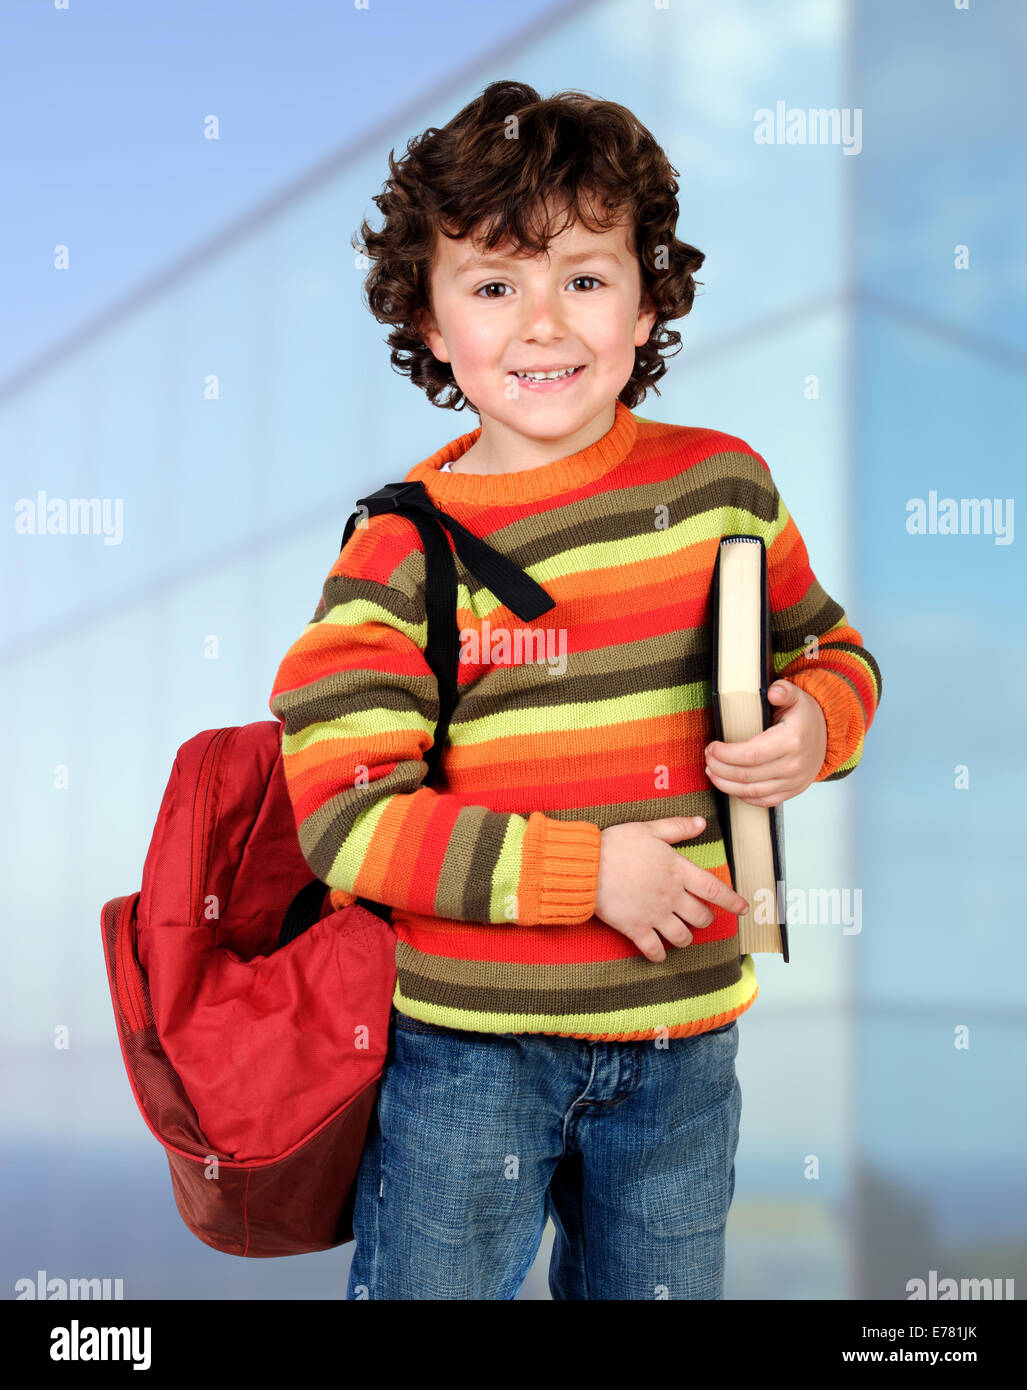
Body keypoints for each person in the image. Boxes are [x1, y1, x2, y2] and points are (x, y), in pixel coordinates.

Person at [269, 80, 883, 1300]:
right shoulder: (399, 550)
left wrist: (811, 727)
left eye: (584, 278)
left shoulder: (723, 488)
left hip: (685, 1038)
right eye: (493, 286)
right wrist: (584, 875)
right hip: (465, 1051)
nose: (541, 322)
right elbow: (342, 816)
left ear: (647, 298)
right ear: (431, 323)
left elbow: (832, 653)